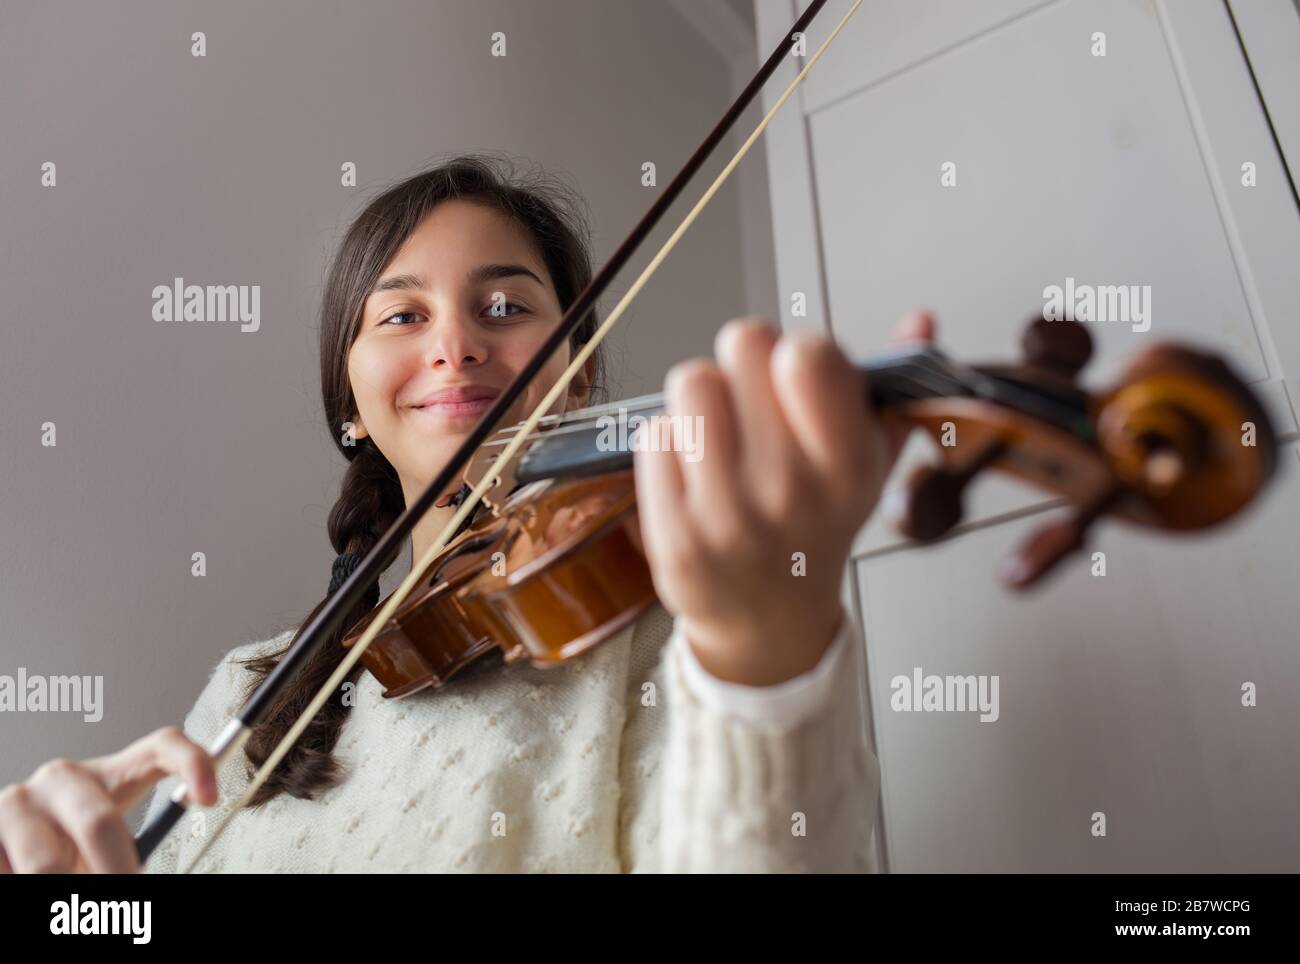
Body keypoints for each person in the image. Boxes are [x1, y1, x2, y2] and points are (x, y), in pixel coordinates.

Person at [0, 154, 935, 873]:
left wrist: (762, 651)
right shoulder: (249, 691)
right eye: (401, 316)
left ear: (578, 378)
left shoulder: (674, 637)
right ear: (351, 402)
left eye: (504, 305)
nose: (456, 344)